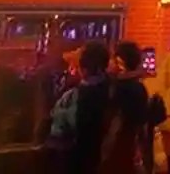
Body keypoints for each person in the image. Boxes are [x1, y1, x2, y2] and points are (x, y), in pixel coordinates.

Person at [49, 40, 116, 174]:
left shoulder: (78, 95)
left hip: (79, 160)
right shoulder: (114, 88)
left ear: (84, 68)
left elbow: (67, 126)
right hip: (105, 160)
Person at [113, 41, 152, 174]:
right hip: (130, 142)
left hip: (120, 143)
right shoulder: (138, 87)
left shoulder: (117, 87)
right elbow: (142, 122)